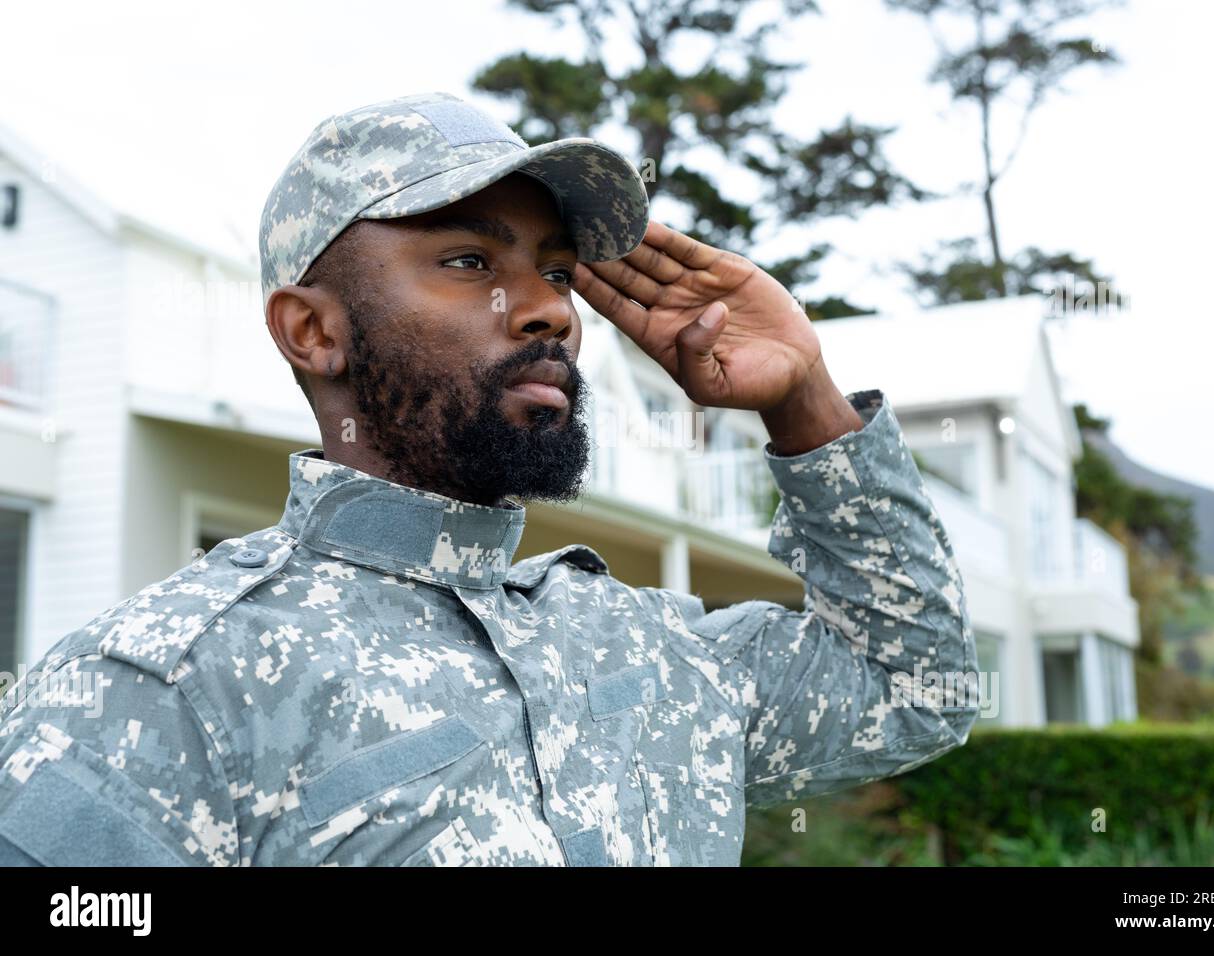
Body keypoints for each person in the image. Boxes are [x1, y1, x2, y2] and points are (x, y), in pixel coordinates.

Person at [0, 92, 979, 866]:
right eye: (469, 258)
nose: (547, 310)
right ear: (312, 328)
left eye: (556, 272)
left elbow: (911, 685)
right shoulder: (154, 688)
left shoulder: (660, 651)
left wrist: (803, 395)